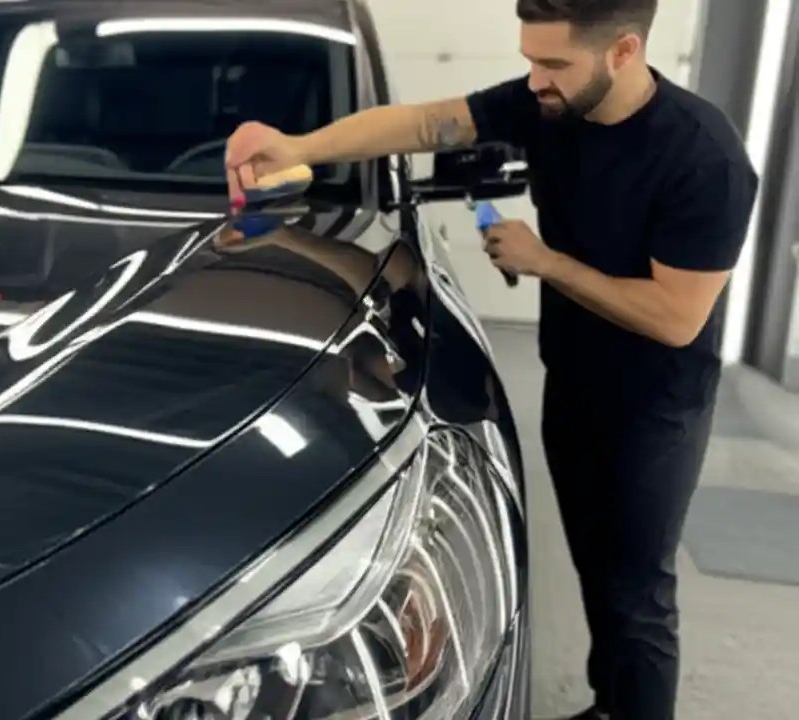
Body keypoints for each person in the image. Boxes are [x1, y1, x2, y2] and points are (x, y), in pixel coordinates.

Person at [223, 1, 759, 718]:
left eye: (555, 63)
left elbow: (675, 318)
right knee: (595, 570)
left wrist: (546, 262)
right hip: (571, 378)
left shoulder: (704, 157)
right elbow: (418, 123)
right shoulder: (548, 103)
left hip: (654, 408)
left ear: (624, 52)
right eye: (530, 58)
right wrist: (297, 147)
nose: (534, 78)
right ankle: (612, 704)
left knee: (637, 597)